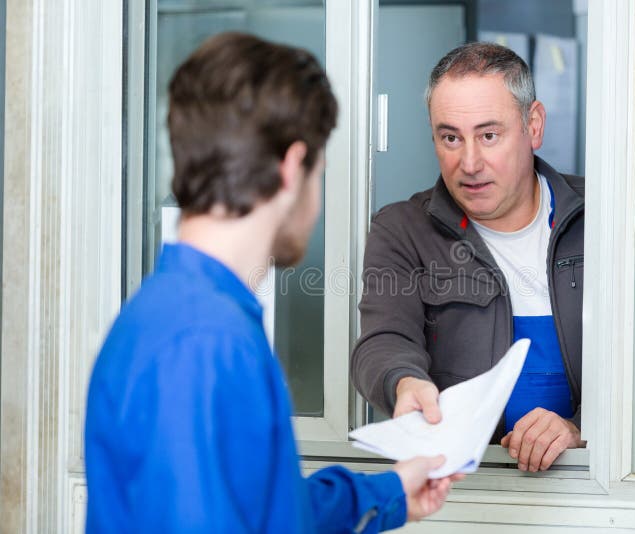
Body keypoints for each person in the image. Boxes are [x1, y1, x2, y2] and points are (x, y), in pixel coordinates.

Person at [84, 33, 461, 533]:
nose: (317, 203)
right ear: (290, 169)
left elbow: (263, 506)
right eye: (319, 173)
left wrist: (388, 492)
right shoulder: (204, 342)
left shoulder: (180, 315)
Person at [351, 42, 586, 473]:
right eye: (451, 138)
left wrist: (581, 427)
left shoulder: (608, 217)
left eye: (488, 135)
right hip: (465, 488)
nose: (470, 163)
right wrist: (404, 382)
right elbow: (383, 340)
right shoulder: (402, 229)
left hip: (593, 486)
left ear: (533, 125)